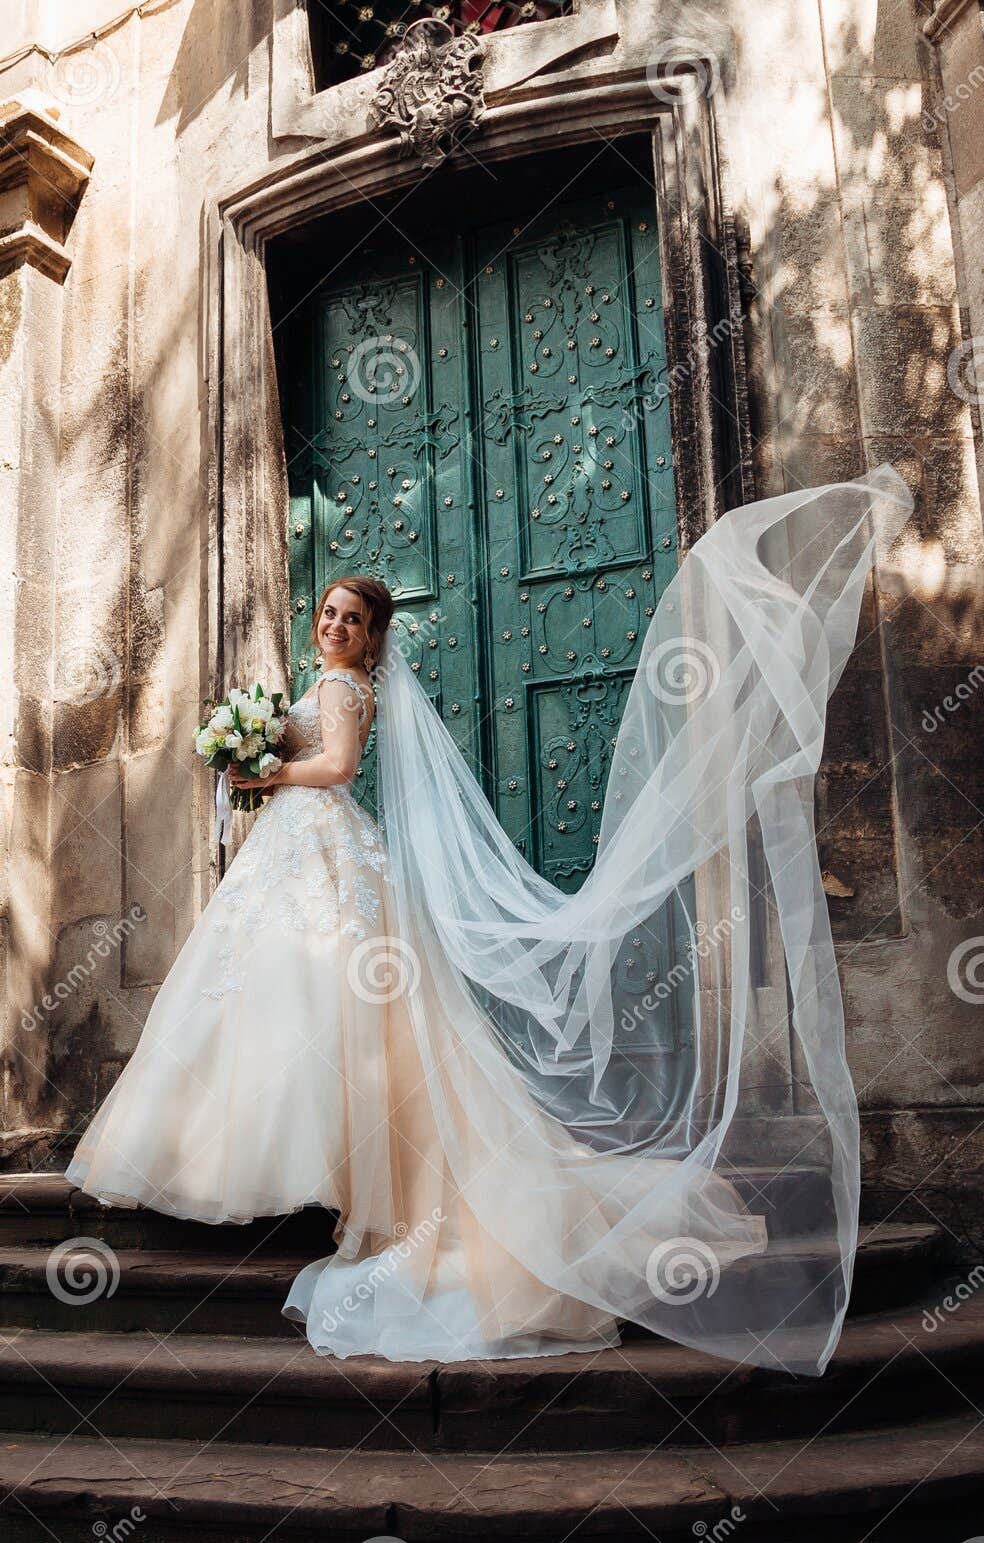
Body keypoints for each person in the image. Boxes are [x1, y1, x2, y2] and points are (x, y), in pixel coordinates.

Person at [65, 466, 913, 1370]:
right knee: (291, 1002)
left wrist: (264, 772)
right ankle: (314, 1171)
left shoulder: (346, 690)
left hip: (323, 848)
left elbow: (339, 768)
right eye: (329, 614)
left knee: (327, 1008)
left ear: (373, 636)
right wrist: (258, 758)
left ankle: (353, 1183)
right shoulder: (315, 683)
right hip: (298, 852)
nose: (336, 626)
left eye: (353, 619)